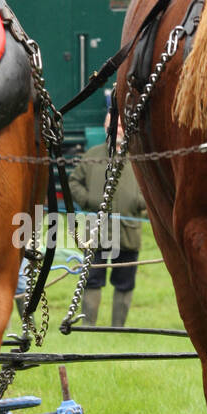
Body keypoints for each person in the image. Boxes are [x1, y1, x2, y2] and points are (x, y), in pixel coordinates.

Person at [69, 114, 147, 327]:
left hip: (128, 232)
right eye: (112, 124)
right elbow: (74, 181)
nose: (118, 129)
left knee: (125, 282)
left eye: (121, 125)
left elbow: (152, 189)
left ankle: (117, 330)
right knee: (92, 279)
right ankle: (88, 329)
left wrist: (139, 202)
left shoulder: (139, 160)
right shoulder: (92, 155)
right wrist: (87, 200)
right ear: (105, 127)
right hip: (96, 233)